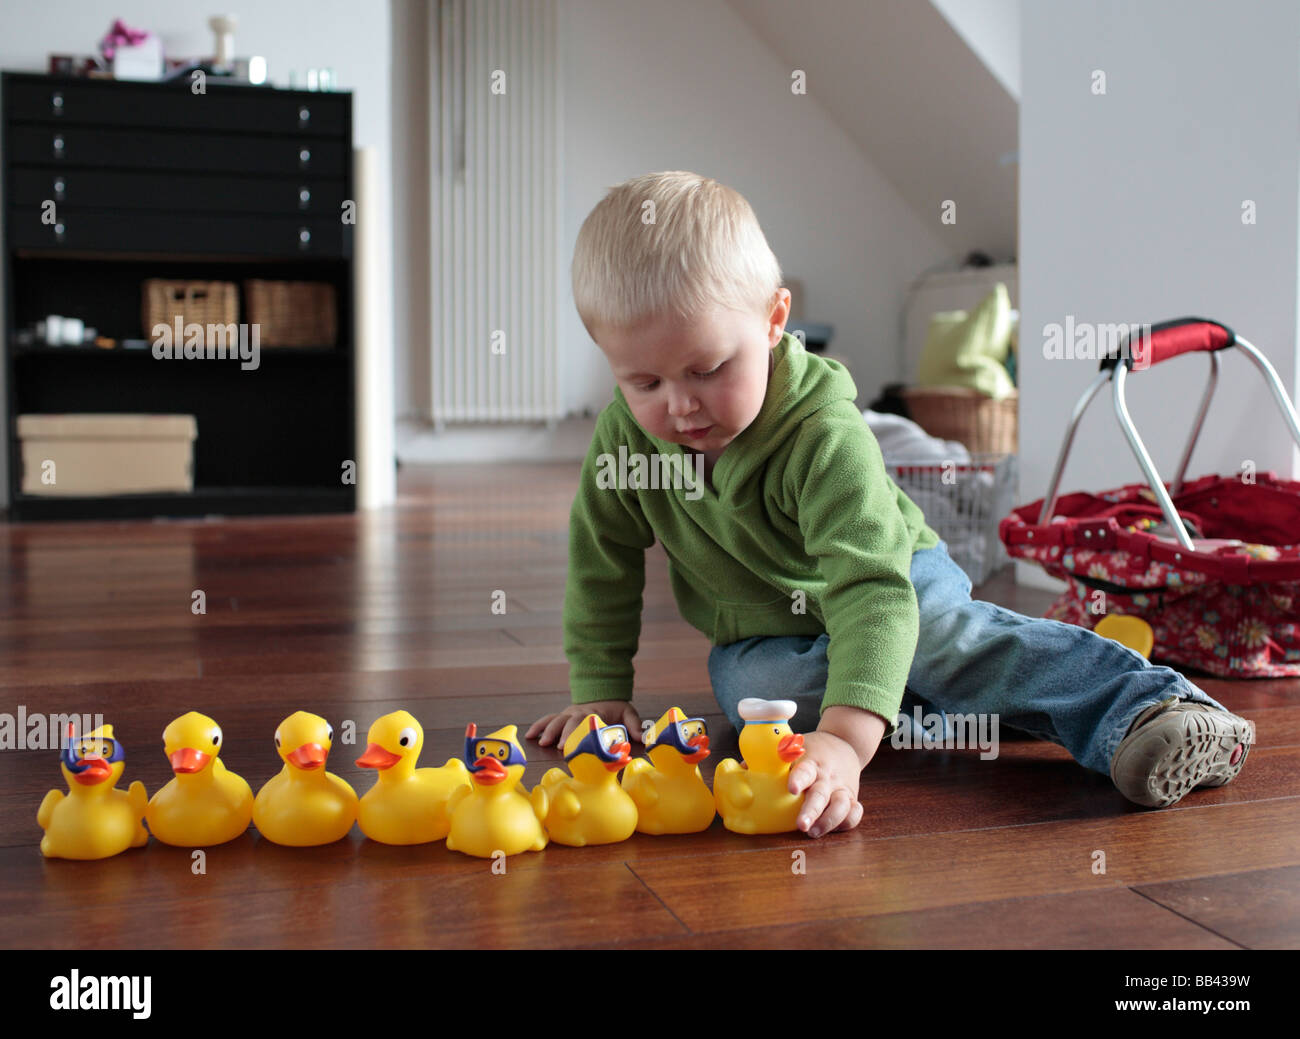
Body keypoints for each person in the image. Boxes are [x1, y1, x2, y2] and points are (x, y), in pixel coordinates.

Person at [527, 170, 1253, 838]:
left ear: (776, 321)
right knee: (756, 688)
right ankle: (966, 699)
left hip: (893, 581)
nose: (680, 404)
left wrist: (844, 742)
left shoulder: (822, 435)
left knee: (940, 642)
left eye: (709, 368)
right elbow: (603, 559)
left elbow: (872, 591)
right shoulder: (624, 441)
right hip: (768, 630)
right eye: (644, 382)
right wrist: (598, 691)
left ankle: (1144, 705)